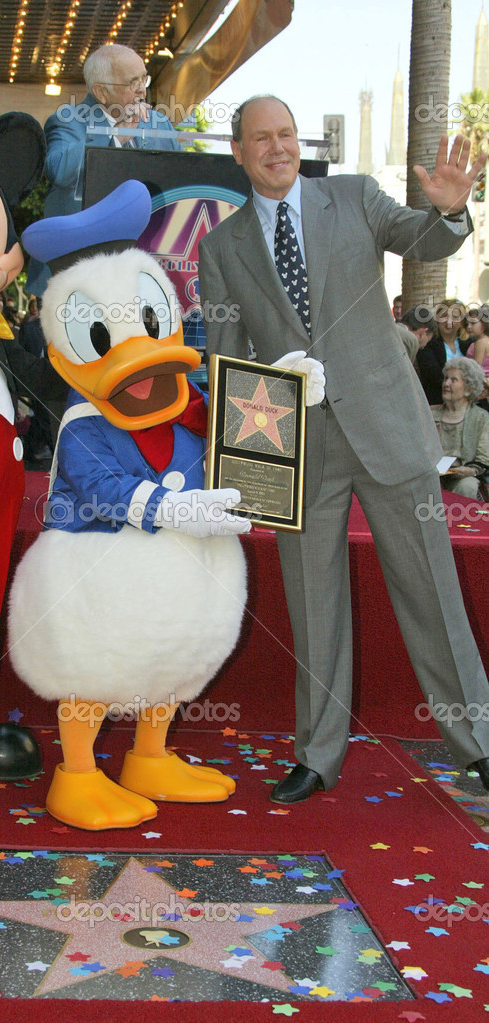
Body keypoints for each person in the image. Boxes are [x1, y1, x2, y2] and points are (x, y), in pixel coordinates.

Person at [198, 94, 489, 802]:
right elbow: (227, 361)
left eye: (288, 134)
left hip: (388, 433)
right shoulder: (220, 246)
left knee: (432, 595)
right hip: (298, 450)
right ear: (237, 152)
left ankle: (478, 743)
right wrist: (244, 469)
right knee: (312, 604)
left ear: (302, 142)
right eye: (261, 138)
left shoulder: (354, 197)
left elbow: (422, 237)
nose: (278, 147)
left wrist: (449, 211)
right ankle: (317, 754)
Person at [43, 43, 181, 218]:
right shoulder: (68, 120)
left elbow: (186, 175)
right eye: (133, 82)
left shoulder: (158, 122)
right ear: (101, 92)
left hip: (152, 234)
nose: (142, 90)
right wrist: (116, 136)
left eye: (144, 79)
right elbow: (59, 172)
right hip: (88, 237)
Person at [432, 356, 489, 500]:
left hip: (460, 477)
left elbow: (483, 457)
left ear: (468, 389)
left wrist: (471, 470)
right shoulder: (430, 413)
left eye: (453, 380)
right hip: (430, 476)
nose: (446, 383)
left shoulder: (481, 418)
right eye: (446, 379)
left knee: (467, 486)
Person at [418, 298, 467, 404]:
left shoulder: (469, 344)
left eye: (455, 317)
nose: (449, 321)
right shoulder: (428, 345)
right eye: (444, 315)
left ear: (462, 322)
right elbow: (435, 376)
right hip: (439, 402)